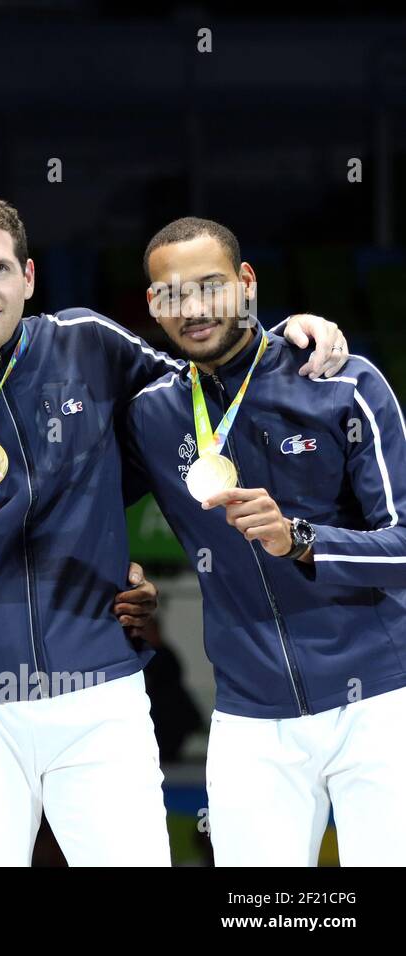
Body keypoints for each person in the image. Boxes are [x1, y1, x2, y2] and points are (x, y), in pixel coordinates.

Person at [0, 194, 346, 865]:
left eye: (0, 269)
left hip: (101, 695)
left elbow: (205, 387)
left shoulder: (88, 342)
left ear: (29, 278)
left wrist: (290, 326)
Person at [123, 216, 406, 865]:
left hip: (381, 700)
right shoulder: (153, 414)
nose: (193, 308)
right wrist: (122, 566)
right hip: (251, 716)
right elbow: (79, 505)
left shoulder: (342, 383)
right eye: (172, 294)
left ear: (246, 282)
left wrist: (301, 540)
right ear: (153, 306)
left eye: (210, 286)